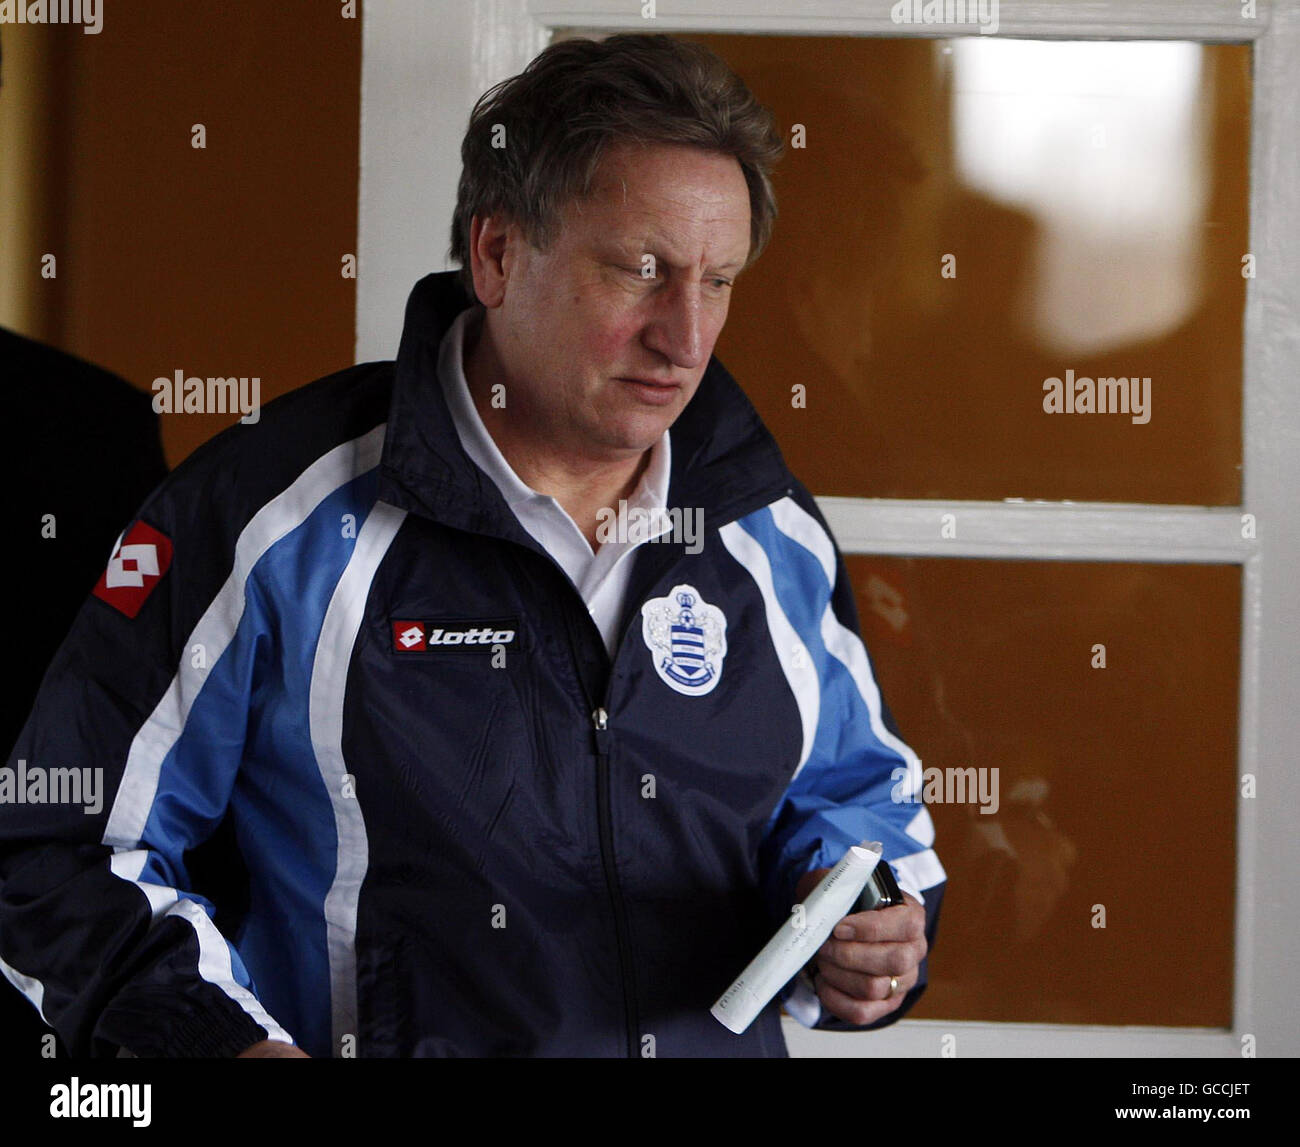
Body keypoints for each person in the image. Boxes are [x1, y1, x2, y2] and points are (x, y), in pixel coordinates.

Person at [0, 33, 944, 1058]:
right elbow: (61, 853)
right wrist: (222, 1046)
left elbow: (860, 807)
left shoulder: (769, 528)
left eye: (717, 281)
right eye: (640, 269)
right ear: (496, 254)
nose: (686, 338)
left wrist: (867, 928)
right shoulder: (271, 514)